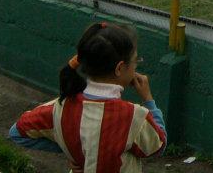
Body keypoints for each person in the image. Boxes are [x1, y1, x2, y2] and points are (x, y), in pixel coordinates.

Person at [9, 21, 166, 173]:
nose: (135, 66)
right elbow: (158, 145)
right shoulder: (132, 117)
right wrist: (149, 100)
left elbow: (17, 133)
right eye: (135, 61)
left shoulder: (61, 106)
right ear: (119, 68)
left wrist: (76, 149)